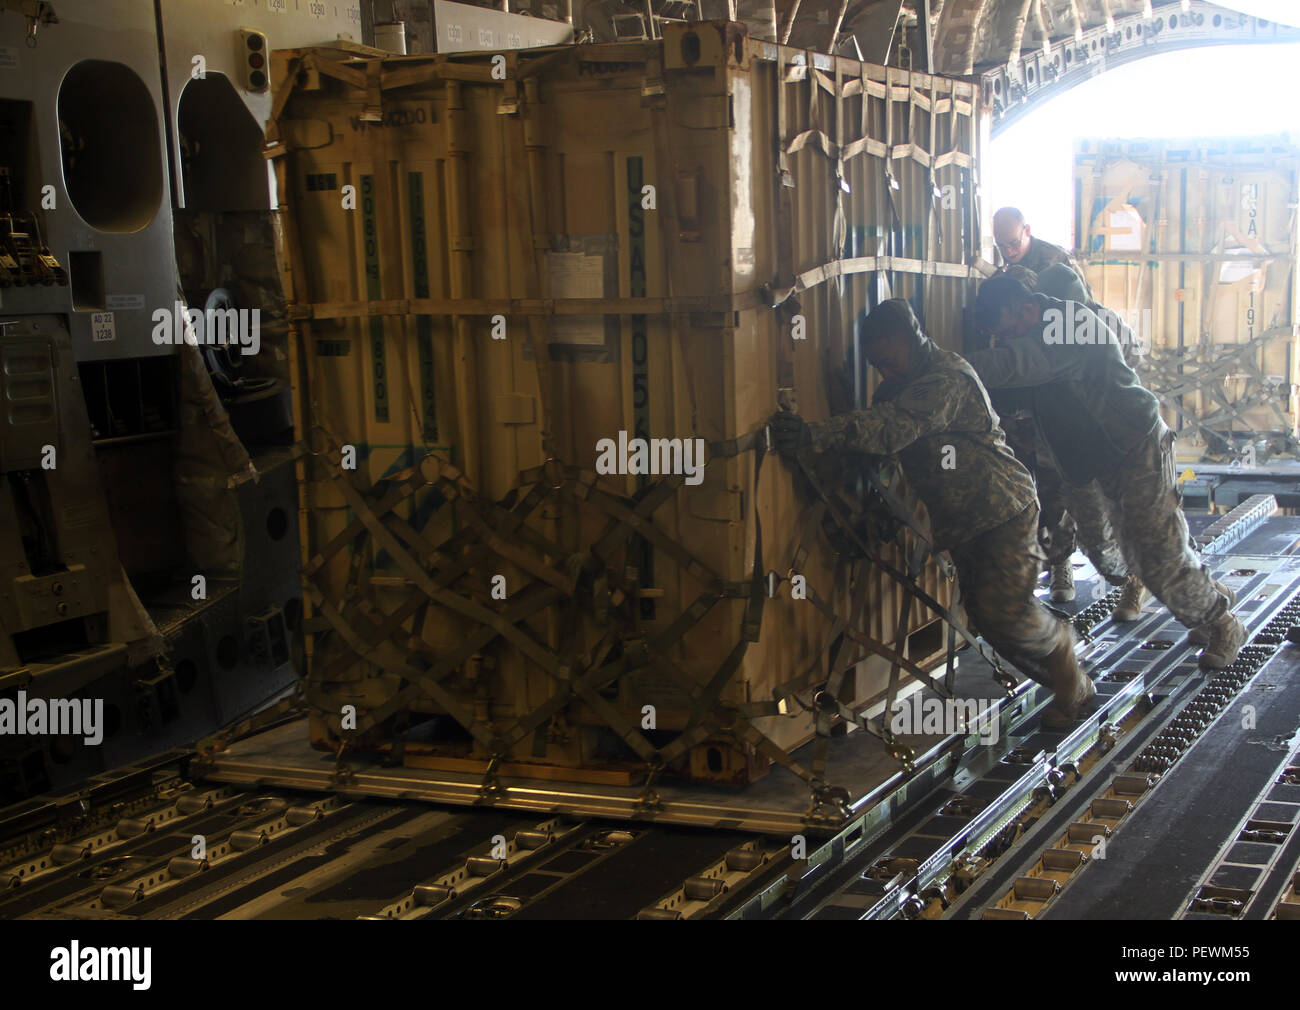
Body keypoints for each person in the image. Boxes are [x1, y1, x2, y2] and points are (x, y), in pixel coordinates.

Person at [770, 299, 1095, 728]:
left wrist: (813, 435)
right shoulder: (901, 388)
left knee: (1006, 613)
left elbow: (892, 429)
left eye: (888, 360)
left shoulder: (946, 379)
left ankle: (1067, 667)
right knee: (988, 618)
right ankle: (1067, 681)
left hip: (1002, 511)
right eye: (876, 365)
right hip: (964, 525)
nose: (884, 372)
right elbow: (889, 455)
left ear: (912, 339)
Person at [966, 275, 1245, 669]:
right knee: (1113, 561)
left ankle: (1222, 623)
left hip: (1136, 447)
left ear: (1025, 309)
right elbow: (1016, 389)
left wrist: (950, 364)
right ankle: (1198, 589)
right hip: (1085, 465)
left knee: (1154, 554)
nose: (1006, 339)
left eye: (1008, 329)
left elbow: (1022, 365)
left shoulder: (1069, 324)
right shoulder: (1025, 336)